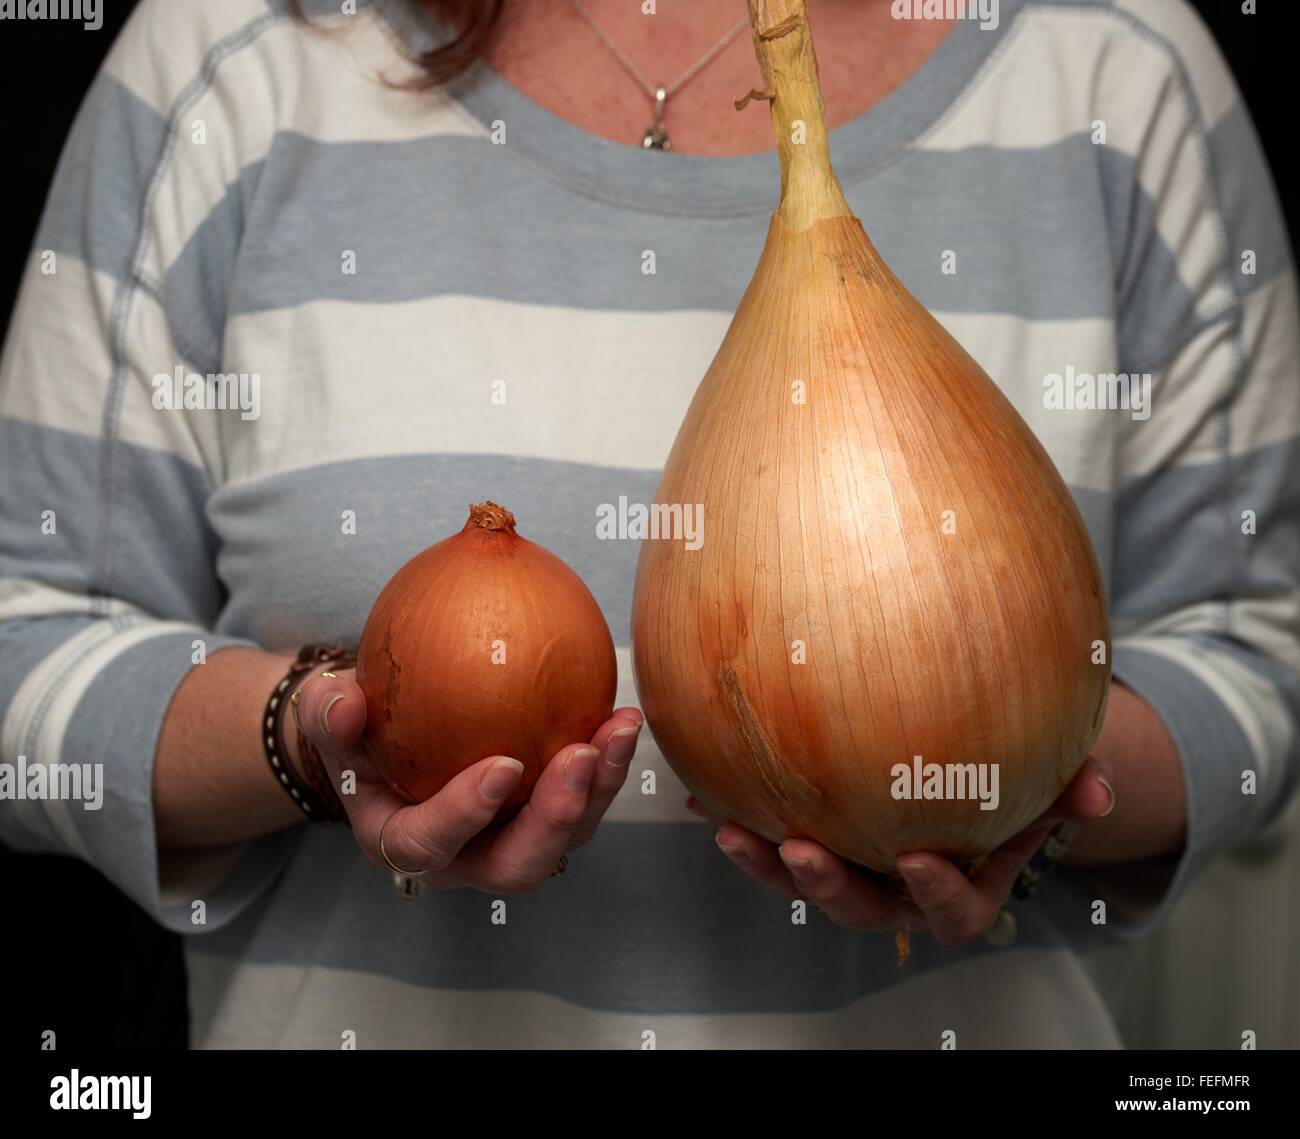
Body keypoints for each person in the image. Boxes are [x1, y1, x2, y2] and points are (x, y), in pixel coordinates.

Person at [1, 0, 1295, 1049]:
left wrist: (1012, 785)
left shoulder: (1122, 67)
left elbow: (1255, 654)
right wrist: (308, 742)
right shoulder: (232, 51)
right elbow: (23, 655)